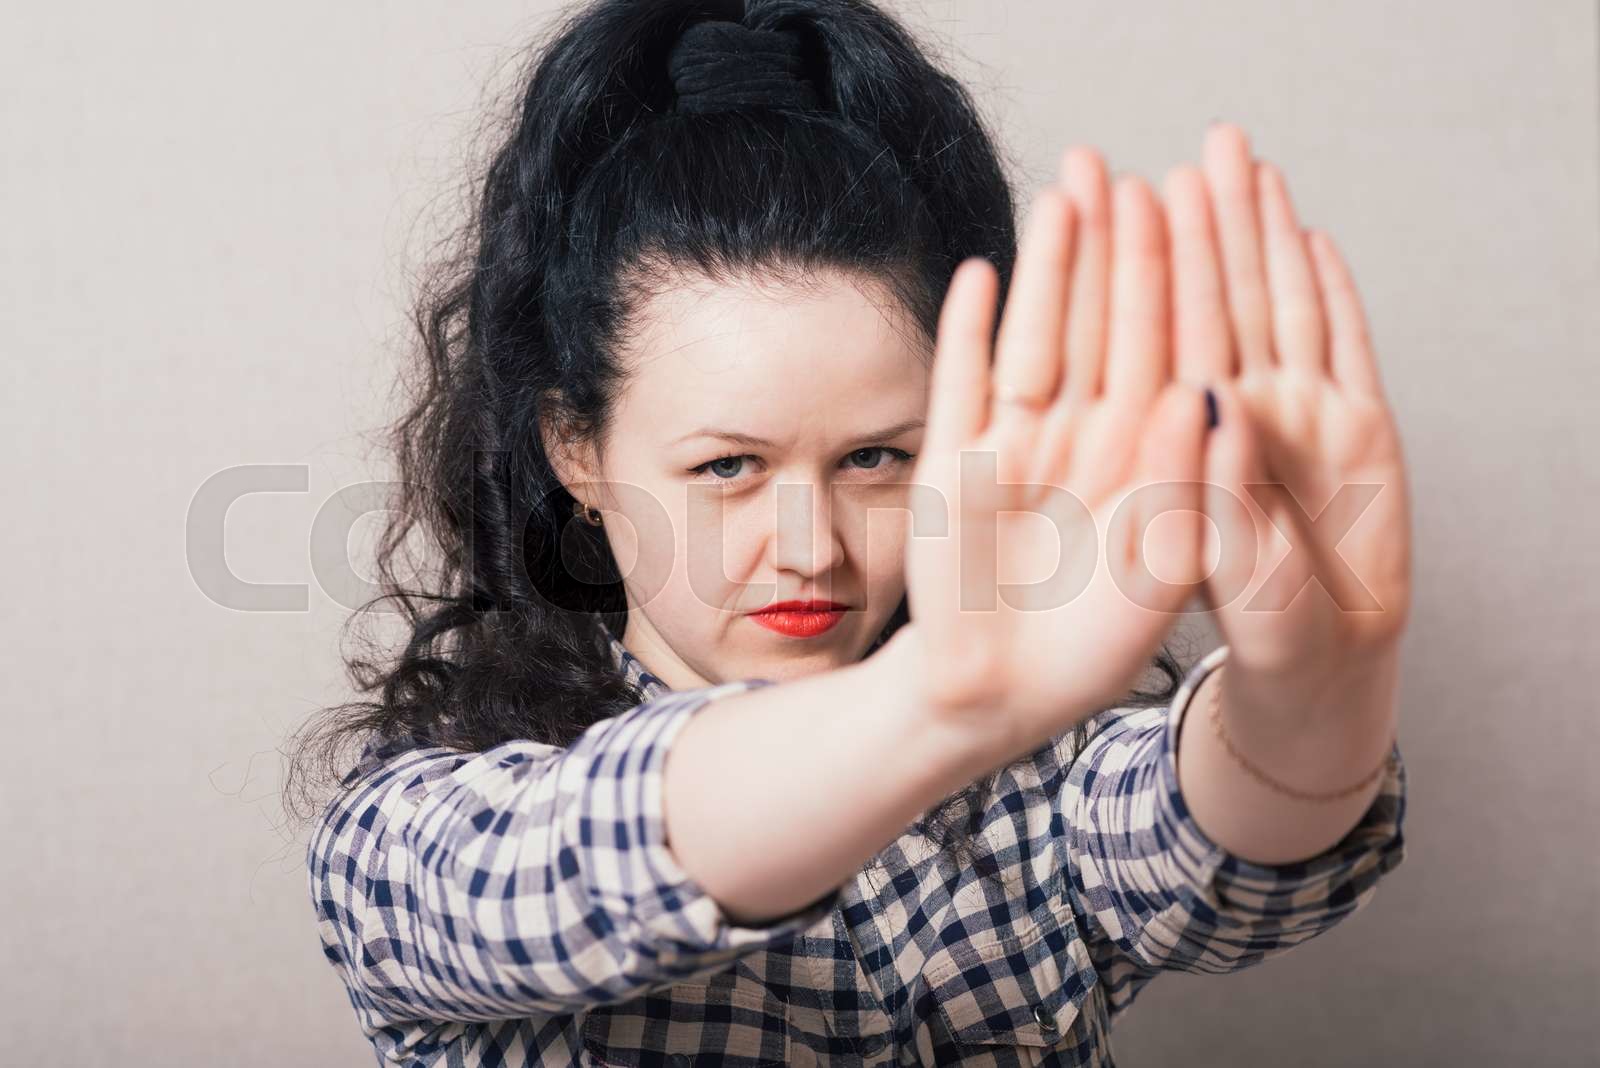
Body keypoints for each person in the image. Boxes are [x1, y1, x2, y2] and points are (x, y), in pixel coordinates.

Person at [287, 0, 1411, 1063]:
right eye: (728, 466)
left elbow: (1216, 836)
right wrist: (932, 704)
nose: (811, 547)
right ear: (575, 449)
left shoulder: (1027, 787)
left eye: (876, 457)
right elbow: (581, 864)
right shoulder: (413, 836)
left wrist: (1317, 685)